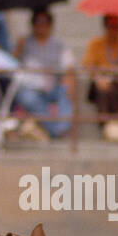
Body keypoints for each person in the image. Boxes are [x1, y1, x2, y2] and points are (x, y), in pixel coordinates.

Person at [12, 8, 74, 139]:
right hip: (30, 88)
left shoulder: (59, 44)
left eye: (44, 22)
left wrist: (67, 80)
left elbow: (69, 67)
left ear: (50, 25)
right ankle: (55, 131)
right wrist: (18, 48)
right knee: (28, 98)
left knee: (66, 91)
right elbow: (10, 63)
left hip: (52, 86)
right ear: (32, 24)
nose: (41, 26)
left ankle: (57, 129)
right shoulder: (24, 42)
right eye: (37, 22)